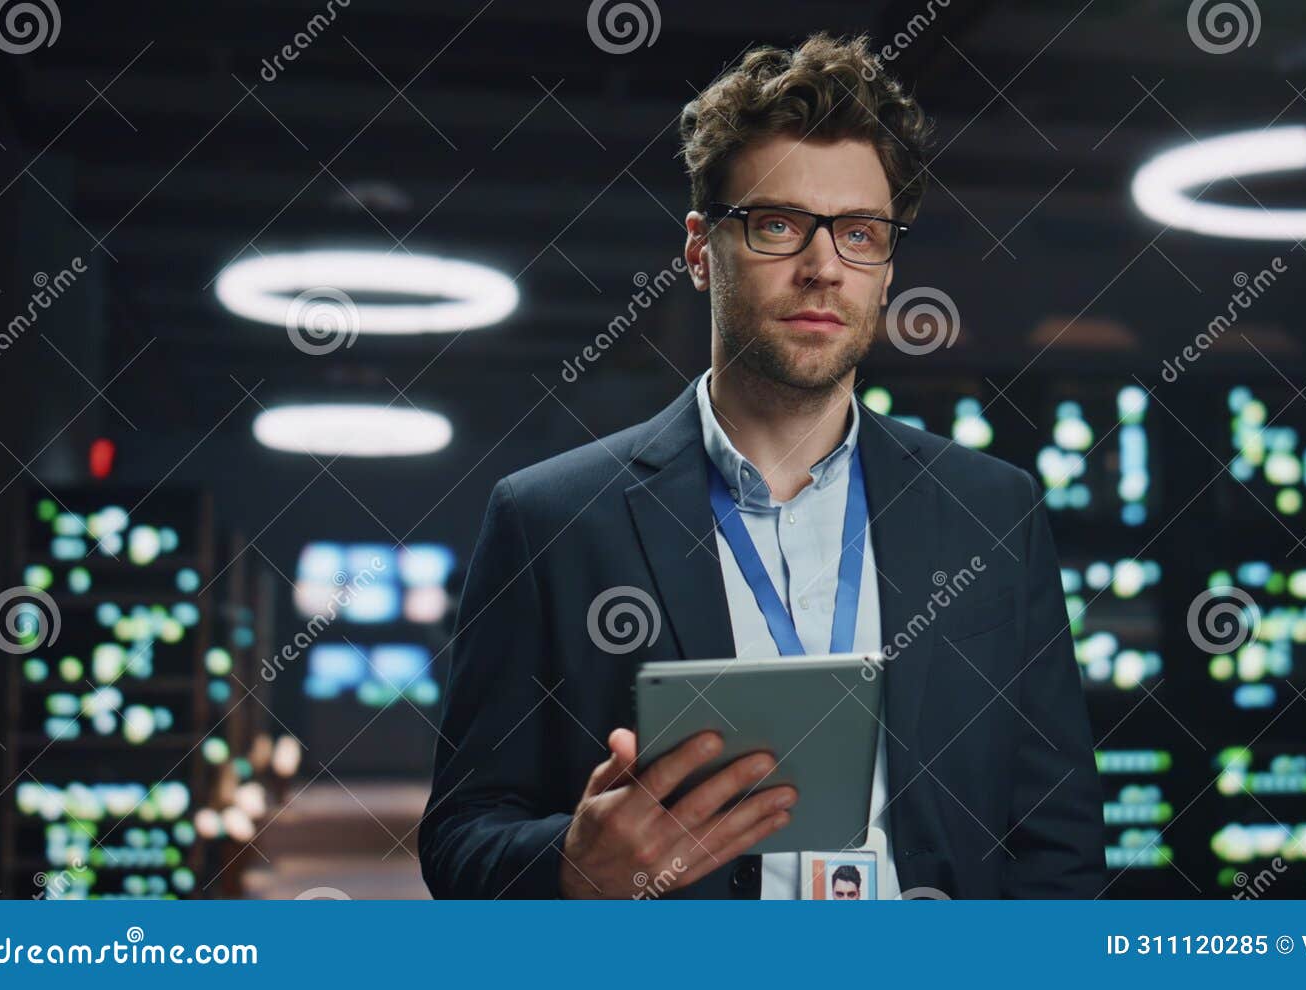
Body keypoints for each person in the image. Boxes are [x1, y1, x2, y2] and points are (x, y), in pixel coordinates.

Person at [420, 32, 1104, 900]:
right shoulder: (550, 521)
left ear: (886, 267)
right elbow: (460, 836)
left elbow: (1058, 842)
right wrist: (572, 865)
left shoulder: (992, 512)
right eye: (778, 225)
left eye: (859, 233)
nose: (823, 268)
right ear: (700, 251)